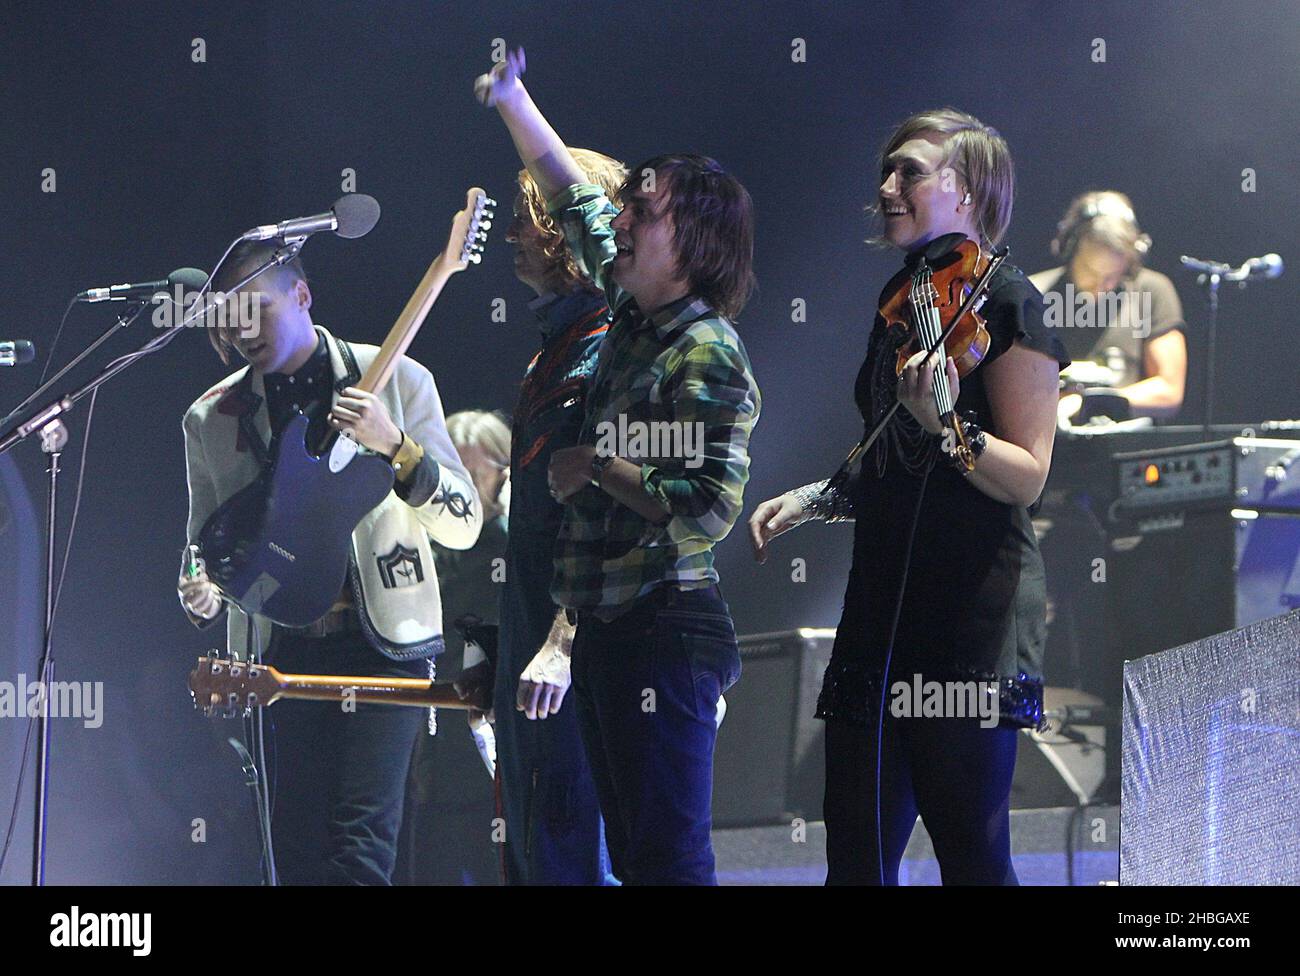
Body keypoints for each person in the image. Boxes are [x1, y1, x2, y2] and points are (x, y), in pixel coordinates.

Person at [749, 109, 1069, 885]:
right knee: (854, 859)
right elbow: (892, 443)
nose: (888, 187)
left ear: (967, 190)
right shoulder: (905, 299)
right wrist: (816, 498)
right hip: (881, 610)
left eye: (911, 172)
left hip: (968, 618)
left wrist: (950, 425)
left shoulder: (1011, 303)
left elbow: (1028, 472)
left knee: (970, 858)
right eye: (887, 172)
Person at [476, 47, 761, 884]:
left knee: (664, 862)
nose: (622, 220)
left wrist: (600, 467)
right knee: (632, 861)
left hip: (667, 629)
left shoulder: (702, 349)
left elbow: (709, 506)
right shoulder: (636, 308)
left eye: (643, 210)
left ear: (693, 242)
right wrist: (513, 99)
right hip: (611, 624)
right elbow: (570, 196)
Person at [177, 240, 481, 884]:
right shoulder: (210, 416)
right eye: (229, 318)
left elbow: (463, 524)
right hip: (273, 654)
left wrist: (397, 447)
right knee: (289, 851)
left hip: (382, 649)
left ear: (302, 295)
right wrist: (198, 581)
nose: (242, 330)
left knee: (359, 846)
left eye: (256, 309)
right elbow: (205, 540)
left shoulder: (396, 378)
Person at [473, 148, 628, 885]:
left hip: (578, 659)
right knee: (530, 859)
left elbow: (615, 519)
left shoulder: (612, 348)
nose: (511, 237)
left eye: (524, 223)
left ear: (568, 233)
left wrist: (564, 642)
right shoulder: (549, 355)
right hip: (530, 652)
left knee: (573, 853)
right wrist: (505, 650)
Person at [398, 410, 509, 885]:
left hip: (501, 734)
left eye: (476, 474)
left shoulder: (517, 544)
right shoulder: (425, 544)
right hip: (439, 731)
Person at [1030, 191, 1186, 422]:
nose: (1101, 286)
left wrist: (1092, 403)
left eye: (1112, 277)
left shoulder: (1153, 291)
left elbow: (1169, 390)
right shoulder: (1034, 293)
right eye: (1091, 273)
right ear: (1069, 251)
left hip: (1125, 444)